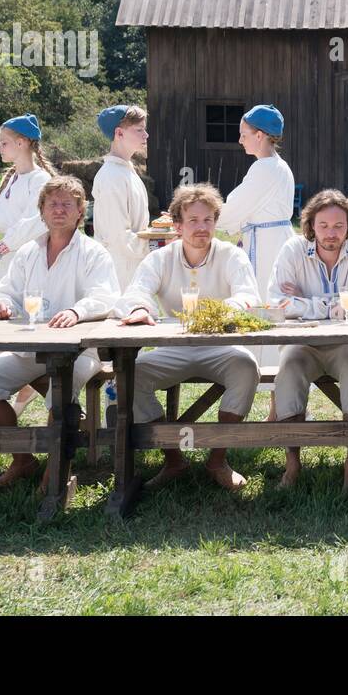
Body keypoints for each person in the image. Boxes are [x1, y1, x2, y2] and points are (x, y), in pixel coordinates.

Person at [0, 176, 118, 490]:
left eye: (67, 204)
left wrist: (77, 311)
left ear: (80, 212)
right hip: (30, 349)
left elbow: (106, 297)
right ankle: (22, 460)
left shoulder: (93, 253)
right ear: (42, 211)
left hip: (79, 353)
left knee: (58, 396)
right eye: (52, 204)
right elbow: (0, 293)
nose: (59, 210)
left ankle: (56, 471)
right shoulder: (28, 253)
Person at [116, 183, 262, 490]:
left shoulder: (231, 256)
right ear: (178, 225)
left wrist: (218, 315)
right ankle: (173, 460)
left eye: (208, 220)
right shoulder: (161, 258)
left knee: (246, 368)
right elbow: (136, 291)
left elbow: (249, 296)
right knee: (131, 375)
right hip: (174, 346)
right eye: (193, 221)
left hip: (220, 346)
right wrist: (142, 308)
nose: (201, 227)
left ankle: (218, 459)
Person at [271, 189, 348, 491]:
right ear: (310, 225)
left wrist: (304, 302)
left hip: (346, 343)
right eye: (323, 226)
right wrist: (337, 305)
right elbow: (276, 303)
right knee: (289, 369)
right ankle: (292, 465)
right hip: (302, 344)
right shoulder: (293, 249)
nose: (331, 234)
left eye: (339, 226)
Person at [0, 114, 55, 417]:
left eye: (4, 143)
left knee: (21, 326)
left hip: (30, 262)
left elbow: (31, 225)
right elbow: (7, 220)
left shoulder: (41, 180)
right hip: (11, 262)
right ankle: (8, 392)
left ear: (22, 142)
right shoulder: (14, 178)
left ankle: (32, 390)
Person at [216, 104, 295, 367]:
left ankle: (274, 381)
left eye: (244, 134)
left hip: (267, 248)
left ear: (259, 135)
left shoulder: (265, 168)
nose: (240, 140)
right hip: (271, 240)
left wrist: (203, 219)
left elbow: (236, 205)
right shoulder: (277, 166)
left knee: (266, 308)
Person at [91, 104, 150, 291]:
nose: (146, 135)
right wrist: (156, 244)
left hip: (132, 266)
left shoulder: (125, 171)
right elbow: (118, 237)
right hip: (119, 273)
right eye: (139, 130)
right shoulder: (112, 176)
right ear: (119, 133)